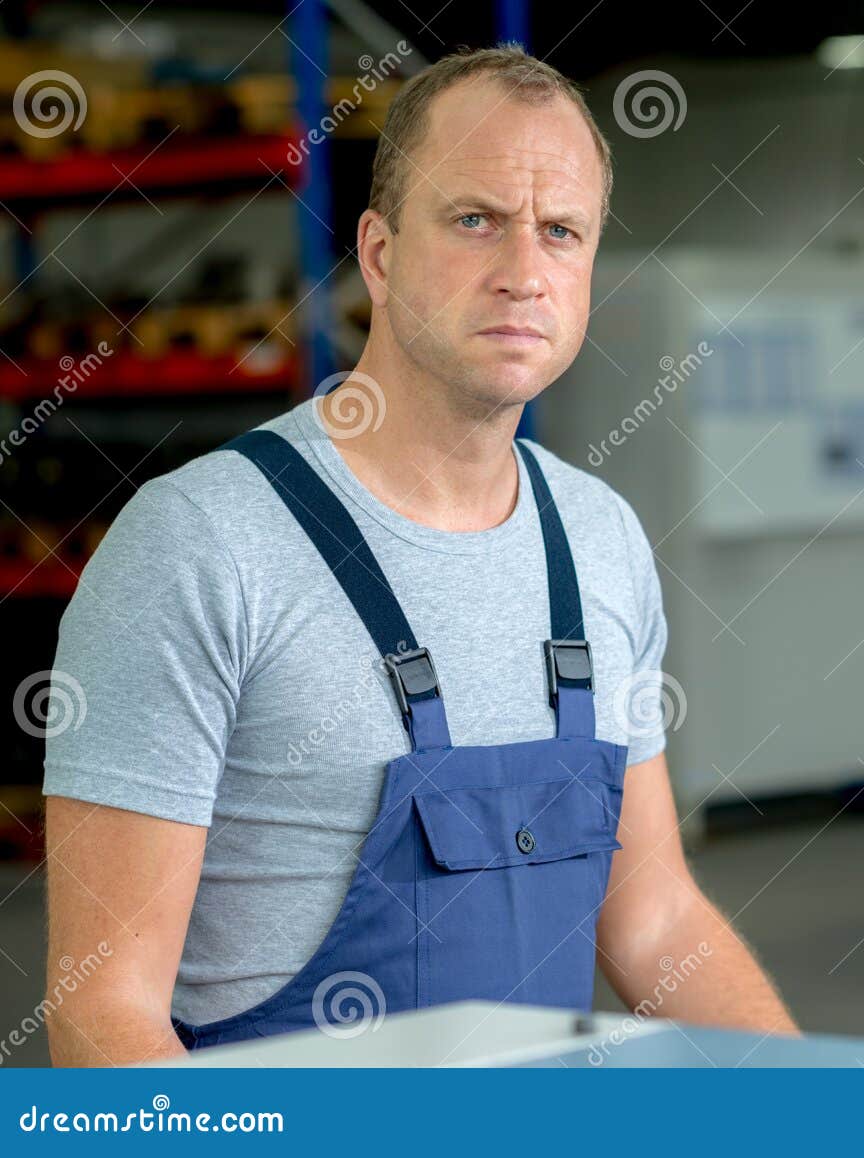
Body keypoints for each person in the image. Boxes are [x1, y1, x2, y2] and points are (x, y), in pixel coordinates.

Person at [42, 45, 796, 1064]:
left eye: (561, 232)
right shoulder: (200, 546)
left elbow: (654, 921)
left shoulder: (599, 540)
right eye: (475, 218)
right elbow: (102, 1014)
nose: (524, 271)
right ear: (382, 252)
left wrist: (809, 1098)